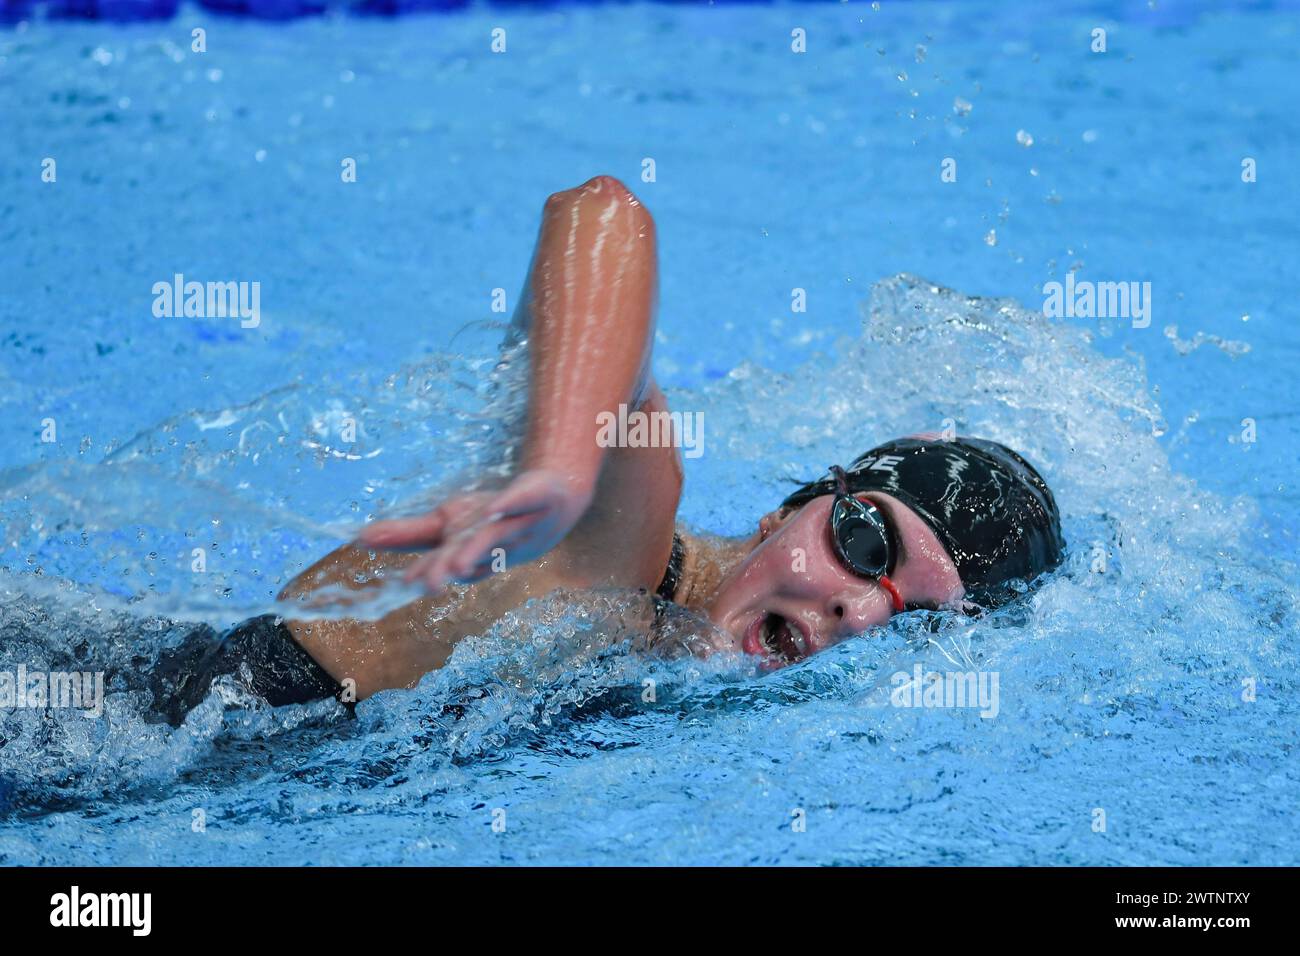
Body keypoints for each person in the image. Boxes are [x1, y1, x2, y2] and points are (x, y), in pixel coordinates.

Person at [144, 175, 1065, 727]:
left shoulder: (695, 678)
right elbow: (601, 213)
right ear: (790, 507)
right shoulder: (621, 538)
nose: (862, 612)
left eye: (914, 622)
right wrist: (560, 462)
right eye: (865, 545)